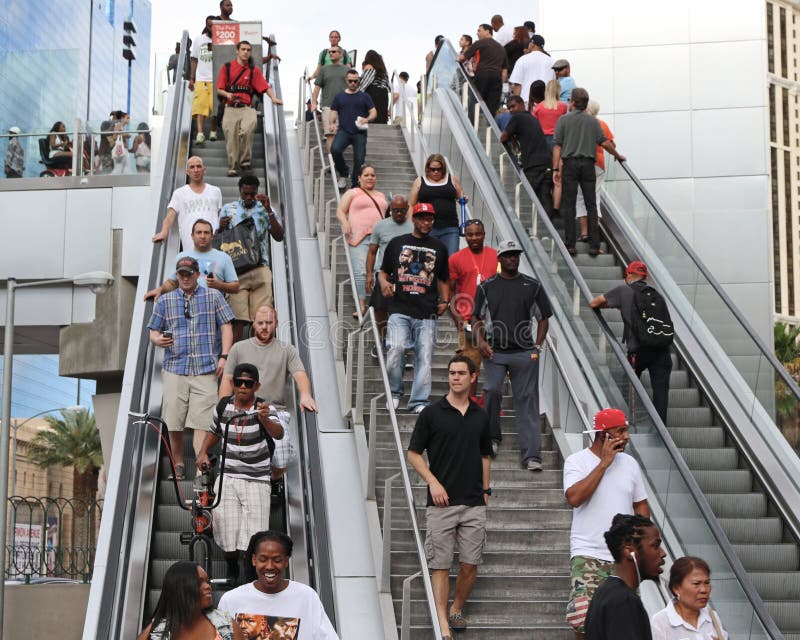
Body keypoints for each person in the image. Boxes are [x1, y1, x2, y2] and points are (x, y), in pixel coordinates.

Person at [407, 354, 493, 635]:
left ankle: (456, 608)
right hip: (441, 504)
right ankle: (443, 623)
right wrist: (433, 482)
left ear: (473, 377)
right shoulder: (431, 413)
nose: (455, 377)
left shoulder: (481, 416)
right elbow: (413, 454)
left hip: (473, 502)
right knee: (440, 565)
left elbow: (485, 455)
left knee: (470, 563)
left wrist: (486, 491)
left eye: (460, 373)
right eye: (451, 373)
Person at [563, 407, 651, 639]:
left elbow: (640, 504)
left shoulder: (630, 464)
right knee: (582, 621)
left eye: (626, 430)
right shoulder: (577, 461)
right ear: (604, 435)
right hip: (588, 553)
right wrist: (603, 463)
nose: (626, 436)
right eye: (620, 431)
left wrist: (640, 538)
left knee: (624, 620)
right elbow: (574, 498)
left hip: (623, 558)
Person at [196, 363, 285, 585]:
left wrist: (265, 419)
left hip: (257, 479)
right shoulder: (223, 406)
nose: (243, 386)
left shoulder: (263, 408)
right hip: (228, 476)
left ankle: (248, 579)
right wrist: (203, 452)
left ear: (256, 386)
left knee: (255, 533)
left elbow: (279, 434)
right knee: (225, 527)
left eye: (248, 383)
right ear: (233, 384)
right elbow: (214, 431)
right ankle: (232, 569)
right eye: (239, 382)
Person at [147, 256, 235, 478]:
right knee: (173, 420)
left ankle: (200, 467)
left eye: (189, 273)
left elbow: (226, 326)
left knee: (203, 421)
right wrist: (157, 339)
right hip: (174, 367)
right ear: (177, 275)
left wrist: (224, 356)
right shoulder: (165, 300)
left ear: (197, 274)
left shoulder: (213, 296)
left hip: (205, 368)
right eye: (181, 274)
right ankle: (178, 463)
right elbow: (153, 331)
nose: (185, 278)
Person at [472, 239, 552, 468]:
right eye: (508, 255)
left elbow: (544, 318)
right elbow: (475, 316)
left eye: (515, 254)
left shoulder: (532, 285)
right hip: (494, 352)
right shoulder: (486, 286)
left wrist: (537, 346)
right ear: (499, 259)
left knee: (527, 401)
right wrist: (480, 342)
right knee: (492, 390)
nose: (512, 258)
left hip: (524, 353)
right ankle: (491, 438)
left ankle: (532, 455)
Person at [379, 202, 450, 413]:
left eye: (430, 219)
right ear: (414, 219)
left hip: (427, 311)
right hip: (399, 308)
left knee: (425, 357)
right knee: (396, 348)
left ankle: (419, 401)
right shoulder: (397, 243)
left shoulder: (439, 247)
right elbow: (383, 271)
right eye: (422, 218)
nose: (427, 222)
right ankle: (394, 392)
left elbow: (444, 278)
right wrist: (383, 283)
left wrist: (445, 301)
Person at [589, 261, 672, 424]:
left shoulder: (623, 290)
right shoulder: (656, 295)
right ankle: (660, 429)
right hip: (662, 350)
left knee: (629, 387)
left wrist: (616, 305)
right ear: (644, 277)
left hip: (638, 351)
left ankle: (631, 423)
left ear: (628, 275)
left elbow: (594, 303)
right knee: (661, 393)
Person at [218, 531, 339, 640]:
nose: (270, 566)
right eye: (263, 559)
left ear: (286, 561)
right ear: (254, 560)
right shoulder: (231, 600)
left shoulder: (307, 597)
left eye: (277, 560)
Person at [553, 88, 625, 256]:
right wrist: (617, 155)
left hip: (570, 164)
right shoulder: (593, 122)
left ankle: (570, 244)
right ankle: (594, 245)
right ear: (585, 104)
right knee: (591, 204)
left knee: (570, 204)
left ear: (572, 102)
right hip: (588, 165)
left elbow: (557, 146)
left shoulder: (563, 120)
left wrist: (556, 168)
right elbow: (605, 143)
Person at [219, 175, 285, 341]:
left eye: (252, 194)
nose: (249, 197)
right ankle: (235, 354)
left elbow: (279, 236)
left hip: (260, 268)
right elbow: (219, 240)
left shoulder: (265, 209)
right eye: (245, 193)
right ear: (240, 191)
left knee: (262, 318)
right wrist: (220, 228)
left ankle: (261, 352)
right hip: (236, 270)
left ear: (257, 191)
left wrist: (269, 211)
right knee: (237, 319)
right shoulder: (228, 209)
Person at [583, 514, 665, 640]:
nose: (663, 553)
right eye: (655, 545)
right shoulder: (624, 601)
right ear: (629, 552)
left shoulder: (604, 591)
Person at [221, 306, 317, 413]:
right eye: (260, 323)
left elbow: (300, 375)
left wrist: (306, 395)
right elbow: (227, 379)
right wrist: (222, 408)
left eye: (269, 323)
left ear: (276, 323)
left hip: (275, 410)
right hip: (243, 410)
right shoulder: (238, 348)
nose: (264, 327)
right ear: (254, 324)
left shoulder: (287, 350)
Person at [217, 40, 283, 177]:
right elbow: (219, 89)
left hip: (247, 107)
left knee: (248, 129)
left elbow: (266, 87)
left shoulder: (253, 71)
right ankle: (233, 166)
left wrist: (273, 98)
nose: (246, 52)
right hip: (230, 107)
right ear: (237, 51)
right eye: (243, 49)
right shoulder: (227, 67)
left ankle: (245, 162)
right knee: (231, 136)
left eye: (248, 50)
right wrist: (228, 94)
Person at [448, 220, 498, 397]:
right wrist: (456, 317)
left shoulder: (496, 255)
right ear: (465, 235)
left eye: (478, 234)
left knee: (496, 366)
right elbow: (450, 291)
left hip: (493, 320)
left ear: (484, 234)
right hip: (468, 320)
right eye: (470, 234)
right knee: (469, 368)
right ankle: (468, 404)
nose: (474, 237)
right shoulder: (455, 259)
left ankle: (489, 404)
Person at [137, 561, 242, 640]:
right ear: (180, 589)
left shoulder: (227, 625)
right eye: (199, 582)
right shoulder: (154, 633)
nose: (208, 586)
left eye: (207, 581)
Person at [337, 164, 387, 318]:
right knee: (360, 271)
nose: (370, 178)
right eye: (366, 175)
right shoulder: (352, 192)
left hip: (379, 238)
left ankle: (378, 304)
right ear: (359, 178)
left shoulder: (381, 195)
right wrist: (345, 222)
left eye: (372, 175)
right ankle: (361, 305)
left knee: (379, 270)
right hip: (358, 236)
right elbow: (340, 211)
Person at [144, 219, 239, 301]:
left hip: (213, 309)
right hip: (186, 308)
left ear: (212, 236)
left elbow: (236, 287)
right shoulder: (181, 257)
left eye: (206, 233)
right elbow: (172, 283)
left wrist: (219, 285)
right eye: (199, 232)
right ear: (192, 236)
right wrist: (160, 290)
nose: (202, 236)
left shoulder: (224, 257)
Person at [365, 195, 413, 351]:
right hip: (384, 274)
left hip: (406, 276)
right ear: (390, 209)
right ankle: (383, 338)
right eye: (395, 210)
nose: (399, 213)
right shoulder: (380, 226)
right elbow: (372, 252)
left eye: (402, 211)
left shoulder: (413, 227)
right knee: (380, 307)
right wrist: (369, 274)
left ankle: (403, 341)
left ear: (407, 209)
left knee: (405, 310)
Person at [153, 156, 223, 250]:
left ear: (204, 170)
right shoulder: (179, 193)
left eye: (198, 166)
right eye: (192, 167)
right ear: (187, 172)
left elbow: (219, 216)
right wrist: (163, 232)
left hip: (213, 246)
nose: (196, 170)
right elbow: (170, 216)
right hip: (190, 248)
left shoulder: (215, 191)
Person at [651, 556, 729, 640]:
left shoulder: (712, 616)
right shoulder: (660, 623)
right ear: (676, 588)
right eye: (696, 583)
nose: (704, 590)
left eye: (707, 583)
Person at [501, 95, 553, 217]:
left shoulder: (517, 118)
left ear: (521, 104)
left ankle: (526, 224)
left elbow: (503, 137)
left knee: (527, 197)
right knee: (544, 196)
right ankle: (548, 225)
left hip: (533, 164)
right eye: (509, 108)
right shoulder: (532, 118)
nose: (511, 110)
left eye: (513, 106)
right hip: (547, 162)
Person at [408, 154, 467, 257]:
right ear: (428, 169)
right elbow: (411, 204)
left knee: (451, 259)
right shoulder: (419, 181)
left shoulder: (452, 179)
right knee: (429, 260)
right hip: (427, 228)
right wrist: (412, 224)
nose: (436, 172)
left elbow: (461, 196)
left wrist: (464, 198)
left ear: (443, 169)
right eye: (433, 169)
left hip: (450, 227)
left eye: (439, 169)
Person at [574, 100, 616, 242]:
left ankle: (584, 233)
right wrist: (616, 155)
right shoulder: (602, 124)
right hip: (598, 163)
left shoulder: (578, 124)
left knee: (580, 197)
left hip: (580, 162)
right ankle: (594, 233)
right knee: (595, 197)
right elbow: (611, 144)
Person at [330, 69, 377, 190]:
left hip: (360, 132)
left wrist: (367, 119)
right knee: (335, 149)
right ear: (346, 80)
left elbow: (373, 112)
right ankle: (344, 173)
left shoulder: (364, 96)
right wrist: (332, 123)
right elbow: (333, 111)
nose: (353, 83)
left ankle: (355, 184)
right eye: (350, 81)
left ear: (359, 81)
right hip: (344, 131)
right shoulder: (339, 96)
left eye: (355, 81)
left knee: (359, 159)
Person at [458, 24, 509, 116]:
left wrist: (455, 60)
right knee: (492, 107)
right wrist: (500, 82)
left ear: (487, 31)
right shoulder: (501, 48)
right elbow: (504, 70)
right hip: (497, 78)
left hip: (482, 75)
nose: (477, 33)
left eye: (479, 30)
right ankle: (489, 123)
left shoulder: (480, 43)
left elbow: (462, 58)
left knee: (476, 103)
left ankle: (472, 122)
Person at [311, 45, 349, 153]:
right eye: (330, 52)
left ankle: (337, 158)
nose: (331, 53)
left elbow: (353, 88)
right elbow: (317, 88)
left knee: (342, 135)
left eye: (334, 52)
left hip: (344, 107)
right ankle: (331, 160)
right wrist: (314, 102)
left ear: (341, 54)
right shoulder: (324, 70)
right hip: (328, 105)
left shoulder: (348, 70)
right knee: (330, 135)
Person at [190, 16, 219, 145]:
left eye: (214, 26)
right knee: (200, 107)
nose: (212, 28)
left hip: (216, 79)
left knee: (215, 108)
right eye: (209, 25)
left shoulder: (221, 40)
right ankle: (200, 133)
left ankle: (213, 131)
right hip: (201, 79)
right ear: (206, 26)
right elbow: (194, 59)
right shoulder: (199, 40)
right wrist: (192, 78)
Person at [509, 34, 554, 109]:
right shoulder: (551, 61)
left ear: (532, 44)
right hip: (547, 103)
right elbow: (554, 84)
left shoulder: (522, 60)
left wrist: (516, 105)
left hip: (527, 102)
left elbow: (518, 85)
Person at [533, 79, 567, 150]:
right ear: (558, 91)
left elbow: (534, 125)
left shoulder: (538, 107)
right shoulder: (563, 106)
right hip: (558, 140)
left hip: (542, 139)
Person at [358, 50, 391, 124]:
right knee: (381, 117)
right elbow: (388, 86)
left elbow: (364, 83)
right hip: (384, 94)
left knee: (371, 115)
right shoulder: (383, 71)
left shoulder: (369, 66)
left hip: (373, 92)